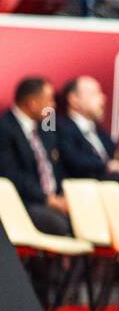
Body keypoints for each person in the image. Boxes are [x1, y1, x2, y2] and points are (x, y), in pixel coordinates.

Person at [0, 77, 68, 235]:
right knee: (60, 224)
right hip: (24, 201)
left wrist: (61, 196)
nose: (53, 105)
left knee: (83, 218)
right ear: (32, 103)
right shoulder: (5, 127)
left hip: (52, 200)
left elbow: (55, 160)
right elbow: (11, 174)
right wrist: (47, 199)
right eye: (49, 100)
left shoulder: (45, 125)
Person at [55, 76, 119, 183]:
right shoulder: (61, 128)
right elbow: (73, 162)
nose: (102, 98)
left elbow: (116, 157)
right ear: (74, 99)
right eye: (94, 93)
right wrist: (109, 166)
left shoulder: (102, 133)